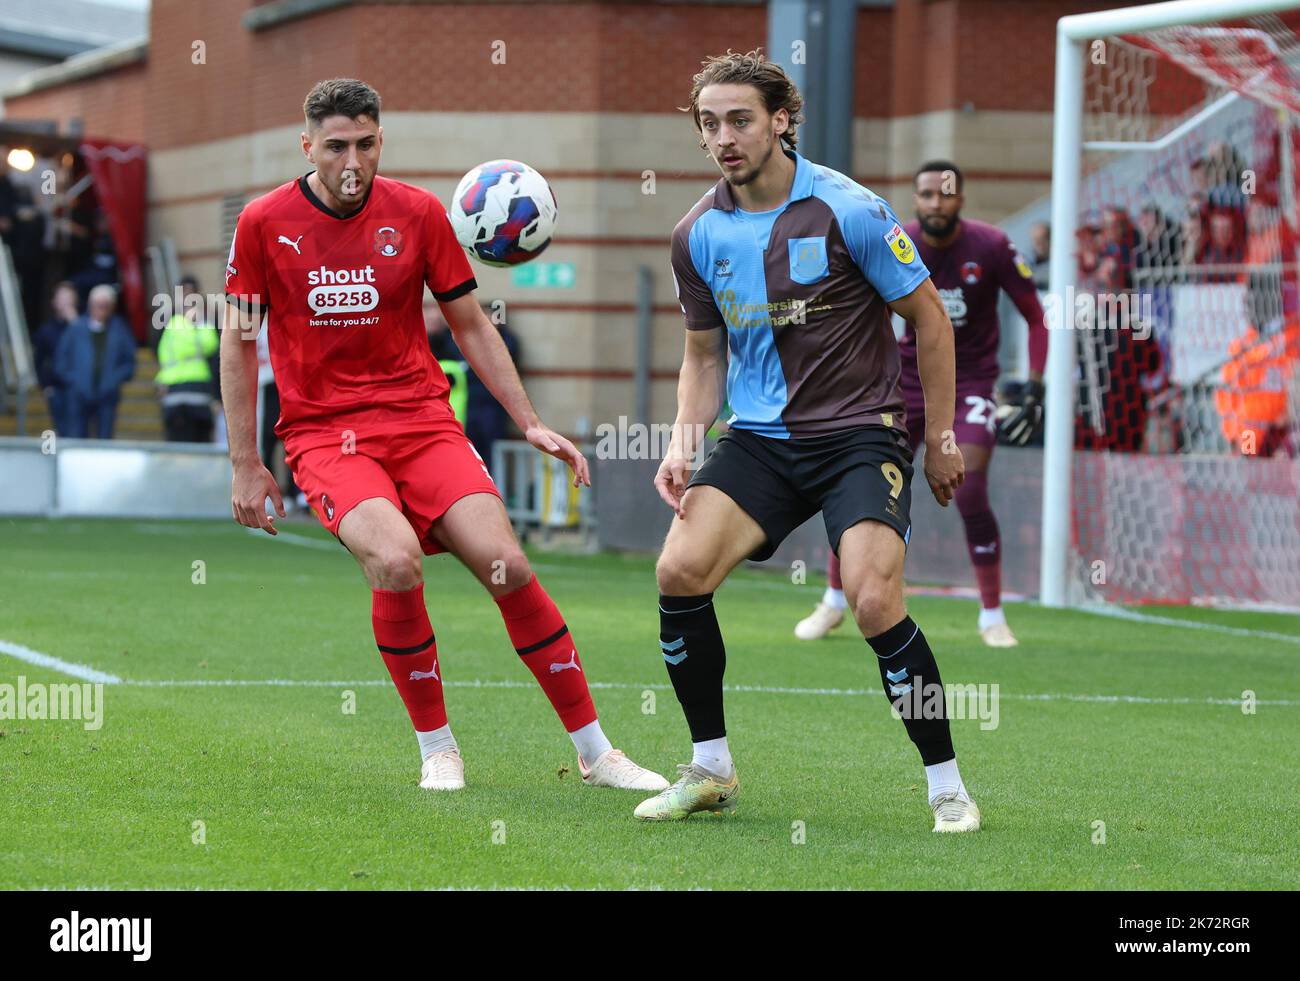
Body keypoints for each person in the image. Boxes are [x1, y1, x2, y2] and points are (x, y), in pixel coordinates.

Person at [221, 78, 666, 795]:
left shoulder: (420, 213)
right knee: (396, 561)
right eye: (335, 146)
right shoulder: (263, 222)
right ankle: (438, 747)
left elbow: (470, 324)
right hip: (326, 436)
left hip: (424, 423)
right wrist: (245, 463)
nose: (351, 160)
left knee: (508, 565)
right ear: (307, 146)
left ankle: (597, 752)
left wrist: (530, 421)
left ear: (380, 140)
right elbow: (238, 343)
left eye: (365, 144)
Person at [638, 50, 979, 832]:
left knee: (870, 597)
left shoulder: (849, 209)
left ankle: (947, 786)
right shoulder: (696, 233)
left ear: (781, 120)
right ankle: (710, 768)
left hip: (861, 434)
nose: (725, 136)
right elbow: (703, 354)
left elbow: (929, 318)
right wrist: (681, 442)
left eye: (741, 120)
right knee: (679, 569)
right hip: (759, 439)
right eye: (710, 123)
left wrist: (940, 434)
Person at [796, 160, 1048, 648]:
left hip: (971, 384)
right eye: (927, 194)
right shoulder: (892, 237)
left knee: (969, 488)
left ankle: (992, 615)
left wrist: (1034, 383)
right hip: (899, 384)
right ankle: (831, 602)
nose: (936, 203)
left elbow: (1036, 317)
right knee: (860, 486)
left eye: (946, 194)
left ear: (961, 199)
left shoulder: (992, 246)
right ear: (916, 199)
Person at [53, 283, 136, 438]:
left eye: (105, 306)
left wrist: (113, 380)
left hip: (107, 395)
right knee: (76, 438)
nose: (101, 309)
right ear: (90, 305)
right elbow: (61, 361)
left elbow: (129, 362)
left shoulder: (119, 329)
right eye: (97, 305)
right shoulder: (76, 328)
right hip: (78, 395)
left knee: (104, 440)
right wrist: (74, 381)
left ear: (112, 307)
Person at [156, 275, 221, 442]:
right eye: (183, 294)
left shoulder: (205, 323)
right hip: (174, 393)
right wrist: (161, 381)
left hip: (200, 392)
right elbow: (164, 357)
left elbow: (216, 359)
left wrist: (217, 397)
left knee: (201, 446)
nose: (187, 299)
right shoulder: (169, 323)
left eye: (191, 294)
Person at [33, 281, 79, 434]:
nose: (65, 303)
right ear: (54, 302)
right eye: (62, 298)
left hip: (79, 387)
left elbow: (88, 351)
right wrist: (45, 386)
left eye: (69, 298)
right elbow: (39, 361)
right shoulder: (46, 330)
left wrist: (76, 323)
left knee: (79, 430)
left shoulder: (81, 327)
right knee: (62, 429)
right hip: (56, 387)